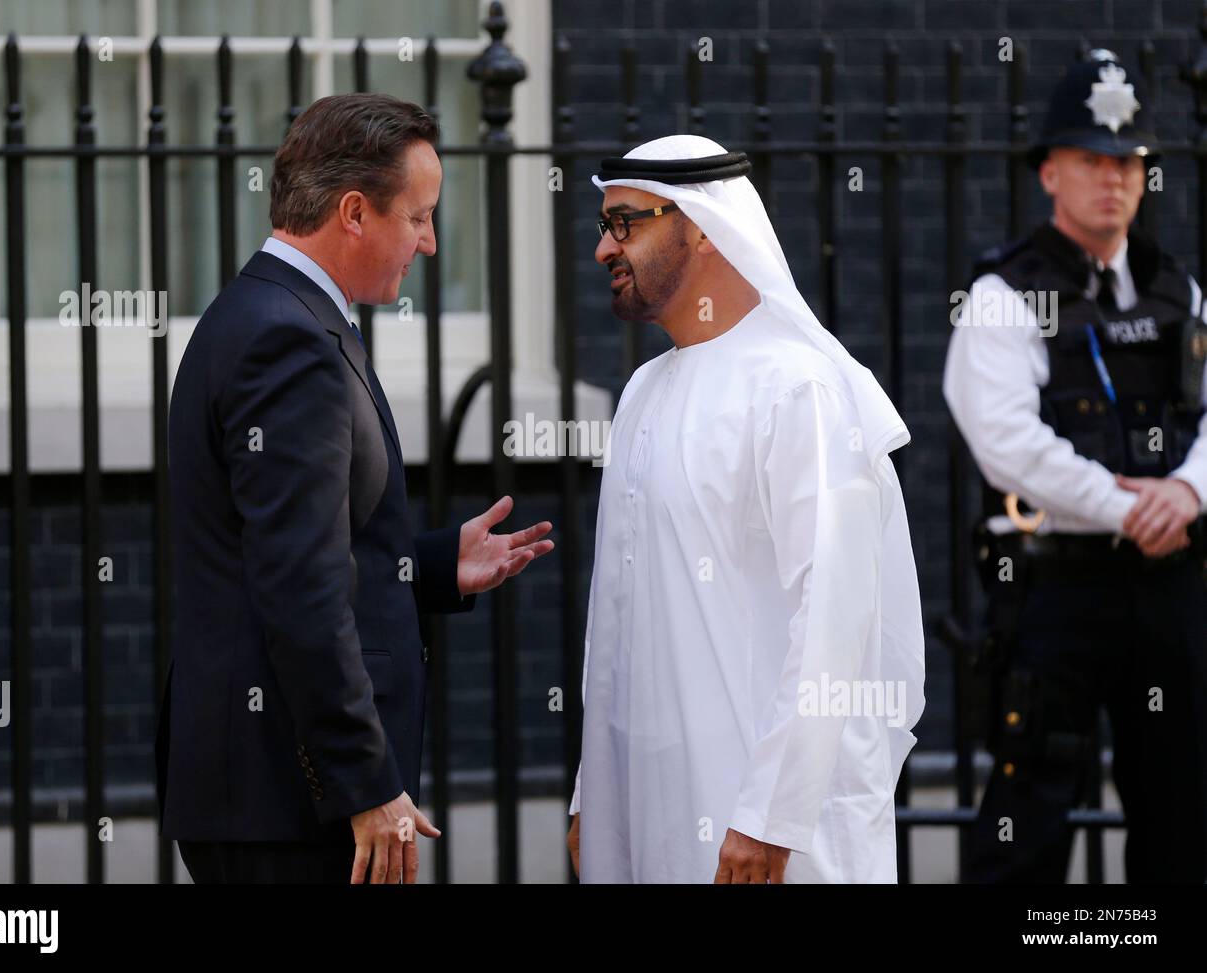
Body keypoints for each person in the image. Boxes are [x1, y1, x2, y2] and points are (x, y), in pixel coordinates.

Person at [156, 93, 553, 884]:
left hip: (264, 794)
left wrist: (432, 566)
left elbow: (296, 548)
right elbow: (300, 586)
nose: (430, 242)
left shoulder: (266, 313)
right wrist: (365, 783)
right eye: (417, 216)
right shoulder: (288, 339)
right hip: (288, 806)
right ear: (353, 213)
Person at [566, 135, 926, 883]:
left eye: (626, 222)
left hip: (772, 835)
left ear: (701, 227)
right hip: (648, 806)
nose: (604, 247)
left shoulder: (801, 389)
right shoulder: (642, 393)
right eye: (605, 225)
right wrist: (589, 791)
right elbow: (618, 620)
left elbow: (832, 619)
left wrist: (773, 814)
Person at [944, 50, 1207, 883]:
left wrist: (1190, 491)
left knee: (1186, 812)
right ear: (1051, 172)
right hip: (1055, 590)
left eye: (1128, 163)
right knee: (1030, 814)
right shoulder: (1006, 293)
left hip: (1171, 586)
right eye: (1092, 160)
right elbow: (1007, 442)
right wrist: (1131, 507)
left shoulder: (1177, 291)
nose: (1113, 180)